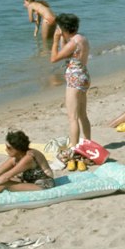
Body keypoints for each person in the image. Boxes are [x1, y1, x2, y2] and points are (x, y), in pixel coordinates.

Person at [50, 13, 91, 148]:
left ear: (63, 28)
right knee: (82, 115)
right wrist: (62, 37)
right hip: (83, 76)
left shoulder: (73, 43)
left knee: (72, 118)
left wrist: (55, 40)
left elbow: (54, 58)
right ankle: (87, 142)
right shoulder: (81, 38)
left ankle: (74, 148)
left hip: (74, 80)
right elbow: (67, 51)